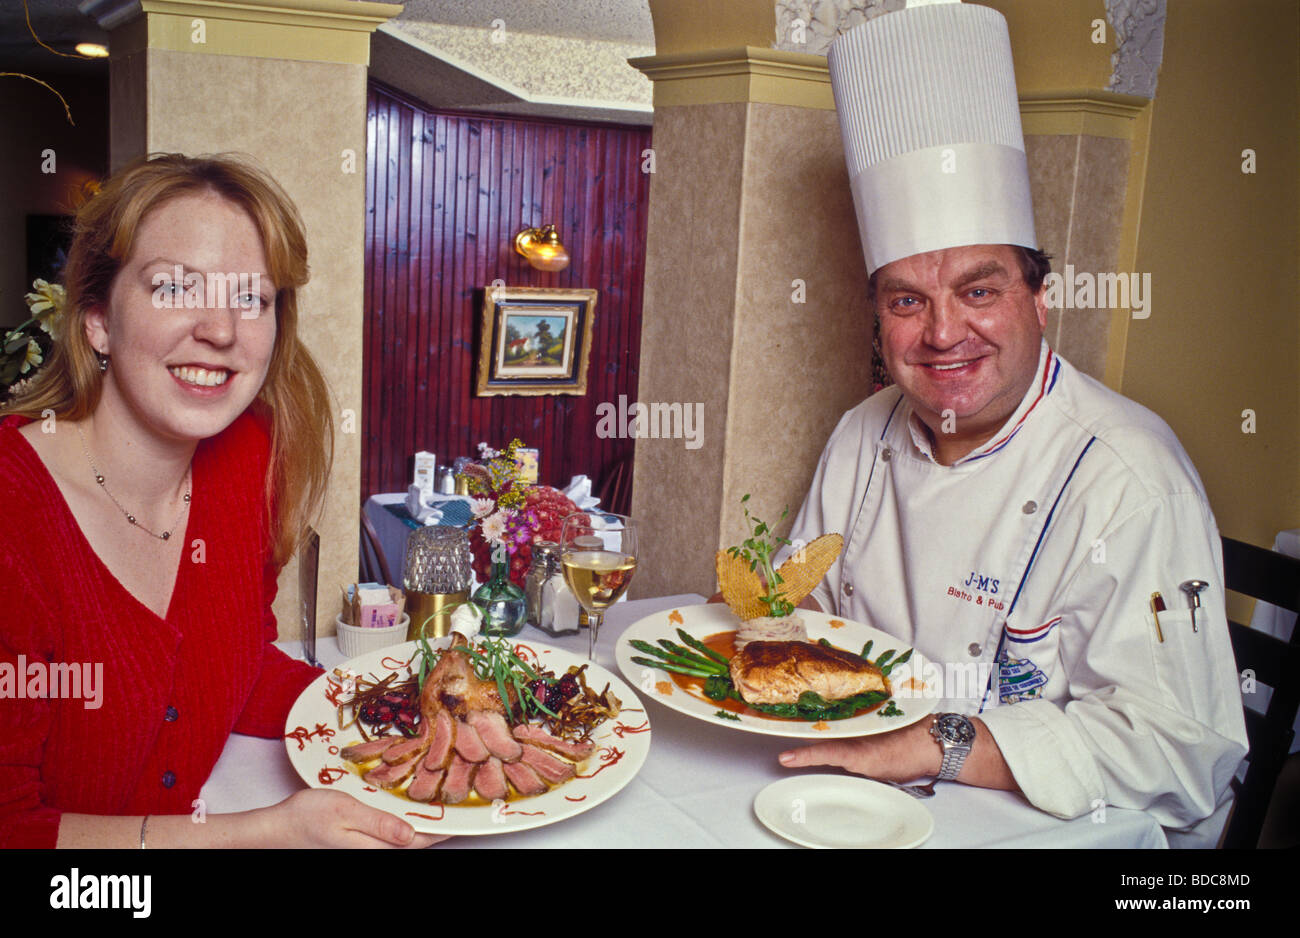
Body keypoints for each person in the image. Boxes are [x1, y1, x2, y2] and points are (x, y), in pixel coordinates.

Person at [774, 3, 1247, 846]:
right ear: (878, 319)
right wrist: (753, 629)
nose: (944, 333)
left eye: (980, 291)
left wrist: (930, 742)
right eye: (908, 300)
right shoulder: (864, 429)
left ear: (1038, 296)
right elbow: (798, 597)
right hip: (867, 800)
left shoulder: (1130, 478)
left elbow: (1182, 750)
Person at [0, 153, 441, 848]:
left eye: (251, 297)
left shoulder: (251, 453)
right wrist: (272, 832)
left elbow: (238, 663)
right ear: (96, 321)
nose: (222, 330)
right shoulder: (12, 517)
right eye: (175, 287)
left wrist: (416, 701)